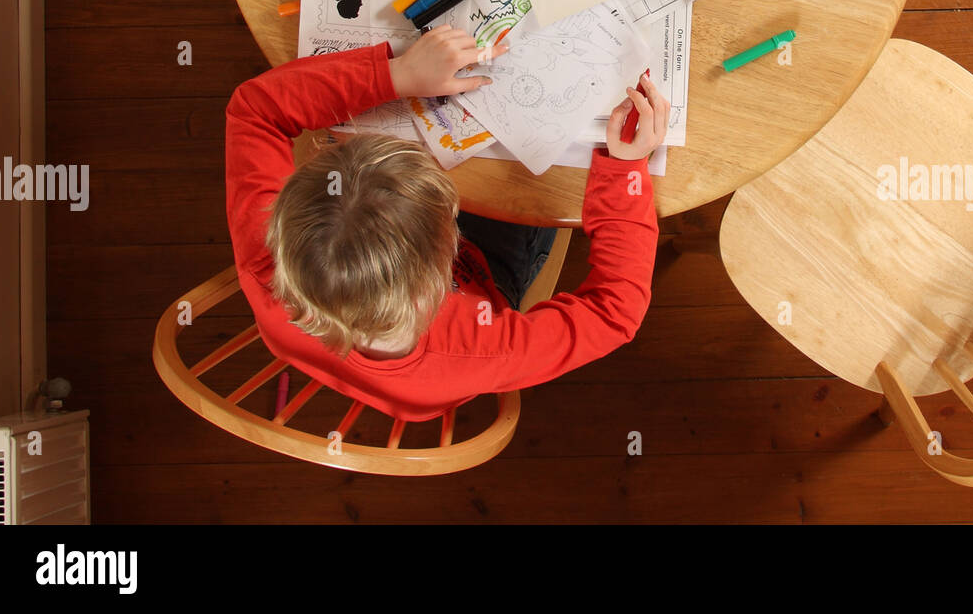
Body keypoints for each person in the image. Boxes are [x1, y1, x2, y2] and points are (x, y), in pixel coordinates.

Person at [225, 24, 669, 421]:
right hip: (487, 273)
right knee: (538, 181)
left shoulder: (265, 260)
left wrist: (396, 76)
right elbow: (616, 314)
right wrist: (625, 169)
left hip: (391, 309)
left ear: (283, 219)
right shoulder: (475, 349)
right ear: (446, 255)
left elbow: (255, 109)